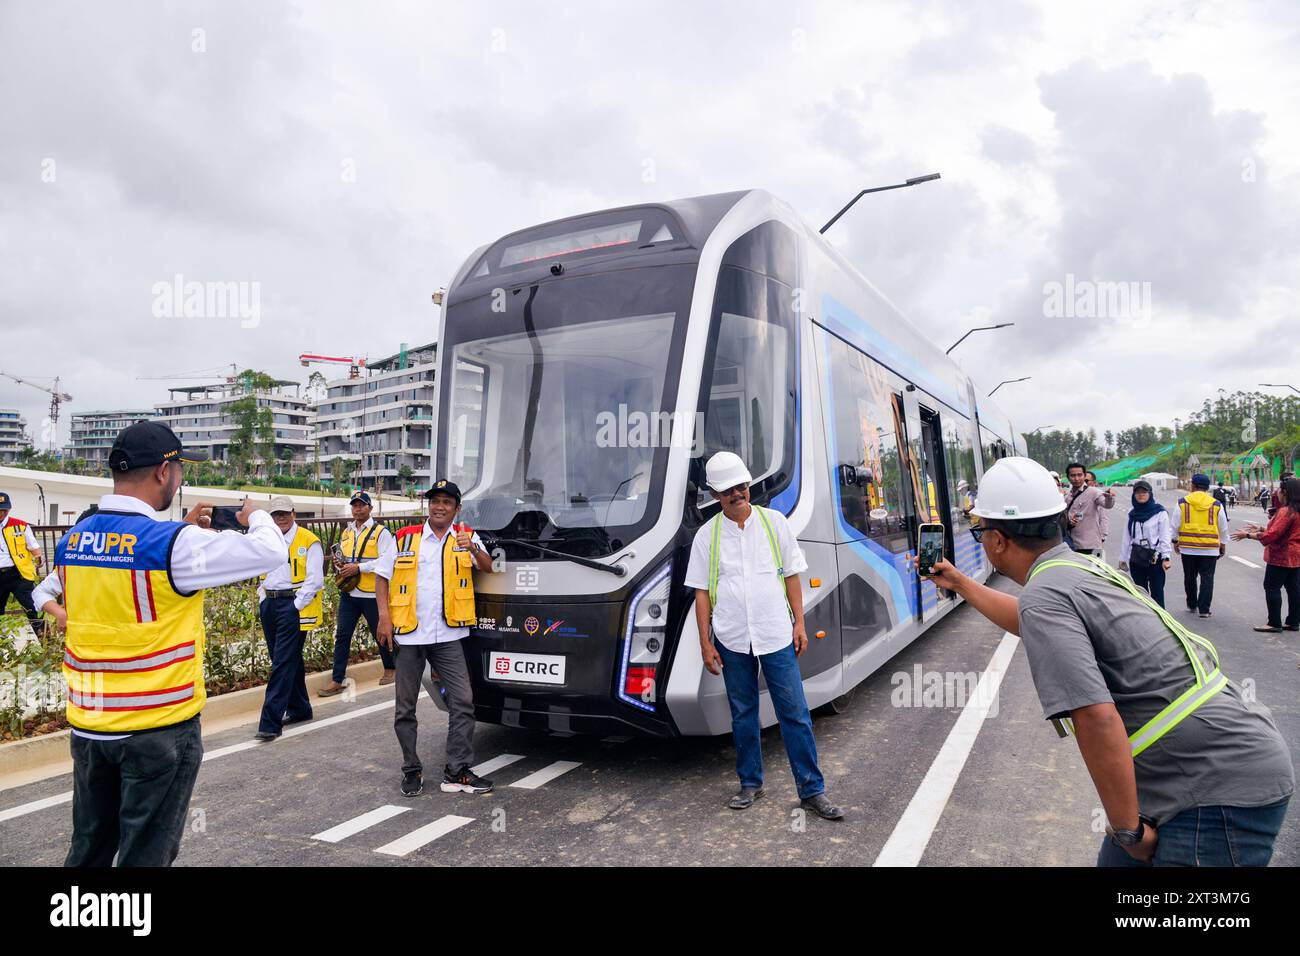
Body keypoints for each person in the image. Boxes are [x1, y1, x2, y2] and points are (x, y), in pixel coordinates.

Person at [923, 456, 1293, 867]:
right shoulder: (1076, 567)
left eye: (980, 533)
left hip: (1215, 789)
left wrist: (1128, 831)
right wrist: (959, 582)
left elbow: (1096, 718)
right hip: (1211, 762)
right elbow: (1030, 618)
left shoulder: (1048, 594)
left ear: (996, 539)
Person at [31, 421, 285, 867]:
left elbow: (118, 571)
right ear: (164, 471)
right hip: (157, 729)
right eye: (181, 470)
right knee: (144, 856)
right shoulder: (174, 545)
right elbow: (270, 552)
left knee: (87, 850)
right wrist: (254, 516)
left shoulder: (73, 541)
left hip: (90, 726)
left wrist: (183, 532)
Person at [683, 451, 843, 820]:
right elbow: (702, 593)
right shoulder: (707, 536)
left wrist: (799, 624)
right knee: (743, 713)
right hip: (732, 637)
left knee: (795, 713)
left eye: (741, 486)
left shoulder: (775, 524)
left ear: (748, 486)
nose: (737, 494)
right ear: (714, 494)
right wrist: (706, 643)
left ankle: (812, 790)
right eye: (727, 491)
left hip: (775, 634)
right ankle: (750, 783)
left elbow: (791, 576)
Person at [374, 479, 497, 797]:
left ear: (457, 508)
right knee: (405, 707)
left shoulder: (465, 536)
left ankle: (456, 770)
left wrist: (472, 549)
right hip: (411, 634)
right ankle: (411, 769)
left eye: (446, 502)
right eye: (434, 501)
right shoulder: (405, 537)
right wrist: (384, 618)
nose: (439, 506)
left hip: (448, 634)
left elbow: (489, 567)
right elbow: (382, 576)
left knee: (463, 702)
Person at [254, 497, 324, 741]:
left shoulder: (308, 540)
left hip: (292, 605)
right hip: (270, 603)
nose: (281, 518)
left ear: (293, 513)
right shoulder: (269, 540)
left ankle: (270, 722)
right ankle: (300, 708)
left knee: (282, 662)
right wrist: (263, 596)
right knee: (285, 658)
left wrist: (295, 605)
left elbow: (315, 579)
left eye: (285, 513)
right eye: (276, 515)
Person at [319, 491, 397, 696]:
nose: (357, 509)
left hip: (372, 593)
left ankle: (391, 668)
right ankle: (338, 679)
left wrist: (358, 568)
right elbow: (346, 558)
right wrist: (340, 564)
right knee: (342, 635)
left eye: (362, 505)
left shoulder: (381, 533)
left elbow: (387, 562)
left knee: (380, 634)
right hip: (350, 592)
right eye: (354, 505)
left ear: (370, 508)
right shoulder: (347, 532)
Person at [1232, 476, 1300, 633]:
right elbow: (1286, 531)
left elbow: (1273, 536)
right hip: (1296, 556)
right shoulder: (1296, 511)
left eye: (1280, 491)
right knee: (1293, 589)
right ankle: (1293, 621)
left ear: (1286, 492)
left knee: (1272, 586)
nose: (1278, 493)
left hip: (1281, 555)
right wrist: (1262, 529)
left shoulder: (1286, 511)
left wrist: (1247, 535)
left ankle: (1274, 623)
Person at [1172, 473, 1227, 619]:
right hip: (1210, 549)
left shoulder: (1182, 502)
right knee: (1207, 578)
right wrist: (1223, 543)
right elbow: (1223, 526)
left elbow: (1175, 524)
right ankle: (1204, 610)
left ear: (1193, 486)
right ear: (1207, 488)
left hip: (1188, 548)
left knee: (1190, 576)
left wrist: (1174, 541)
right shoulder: (1216, 504)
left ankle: (1191, 604)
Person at [1118, 480, 1172, 608]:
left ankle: (1160, 619)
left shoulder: (1160, 512)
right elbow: (1127, 537)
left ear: (1150, 494)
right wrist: (1123, 558)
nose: (1141, 495)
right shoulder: (1132, 513)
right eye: (1138, 492)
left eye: (1144, 492)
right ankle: (1145, 619)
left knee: (1157, 591)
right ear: (1134, 495)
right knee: (1140, 592)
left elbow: (1165, 536)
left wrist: (1166, 557)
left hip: (1155, 558)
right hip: (1136, 557)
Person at [0, 491, 46, 638]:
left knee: (31, 607)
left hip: (18, 574)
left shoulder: (20, 526)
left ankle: (44, 638)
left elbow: (33, 546)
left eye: (4, 510)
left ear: (9, 509)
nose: (1, 513)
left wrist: (39, 557)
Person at [1063, 462, 1114, 556]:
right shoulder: (1066, 496)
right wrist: (1069, 522)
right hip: (1072, 546)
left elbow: (1107, 505)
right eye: (1073, 475)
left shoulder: (1093, 492)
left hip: (1091, 546)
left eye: (1079, 475)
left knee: (1093, 570)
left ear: (1084, 475)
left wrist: (1109, 497)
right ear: (1068, 477)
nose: (1076, 478)